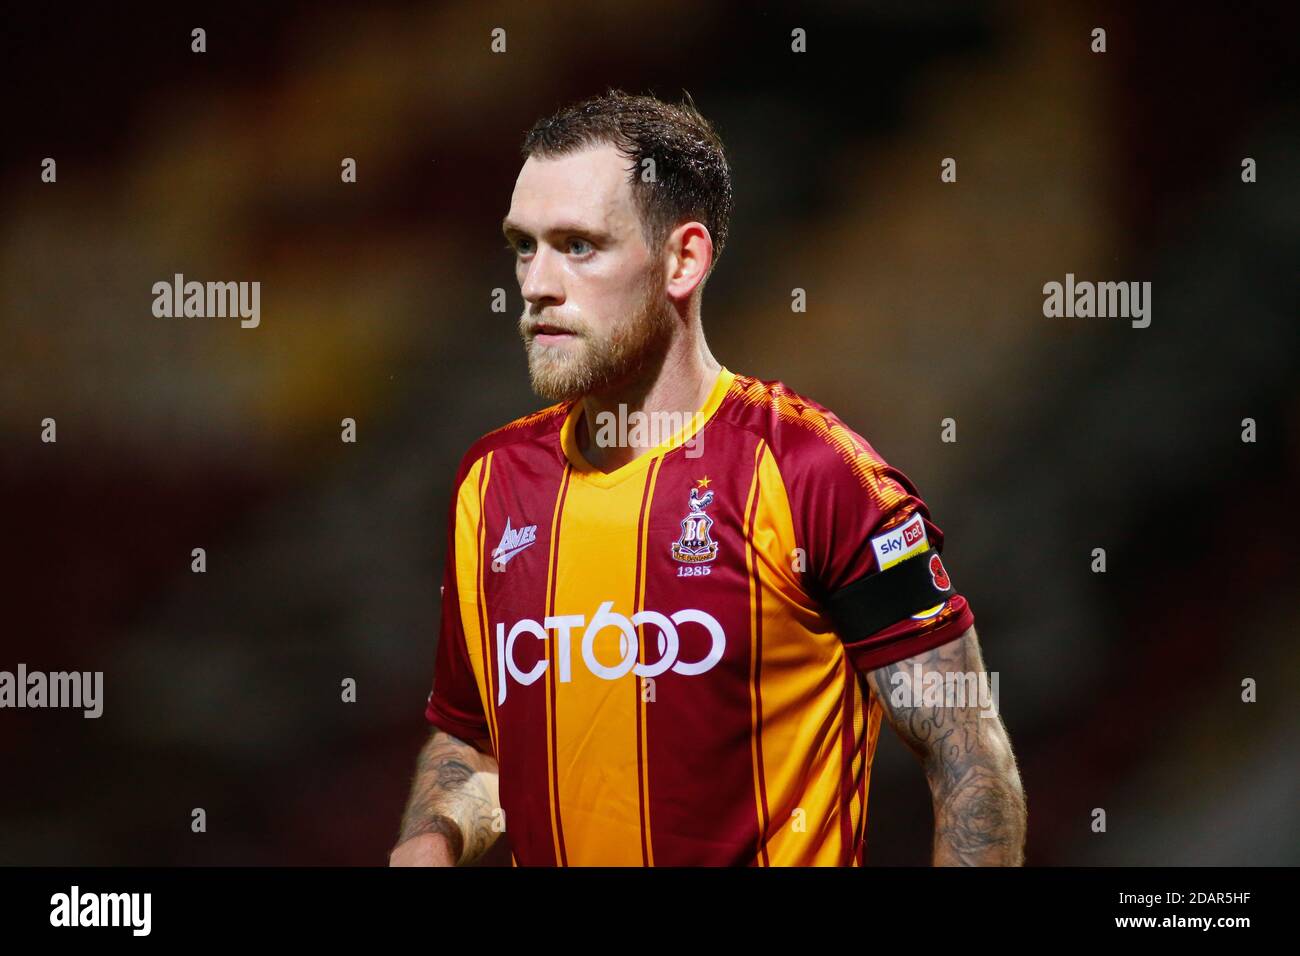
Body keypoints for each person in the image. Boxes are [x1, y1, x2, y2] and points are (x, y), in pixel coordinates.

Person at [391, 89, 1026, 866]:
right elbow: (473, 742)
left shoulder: (814, 472)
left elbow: (966, 751)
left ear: (682, 259)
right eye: (524, 246)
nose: (536, 284)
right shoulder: (491, 484)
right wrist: (433, 837)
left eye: (579, 246)